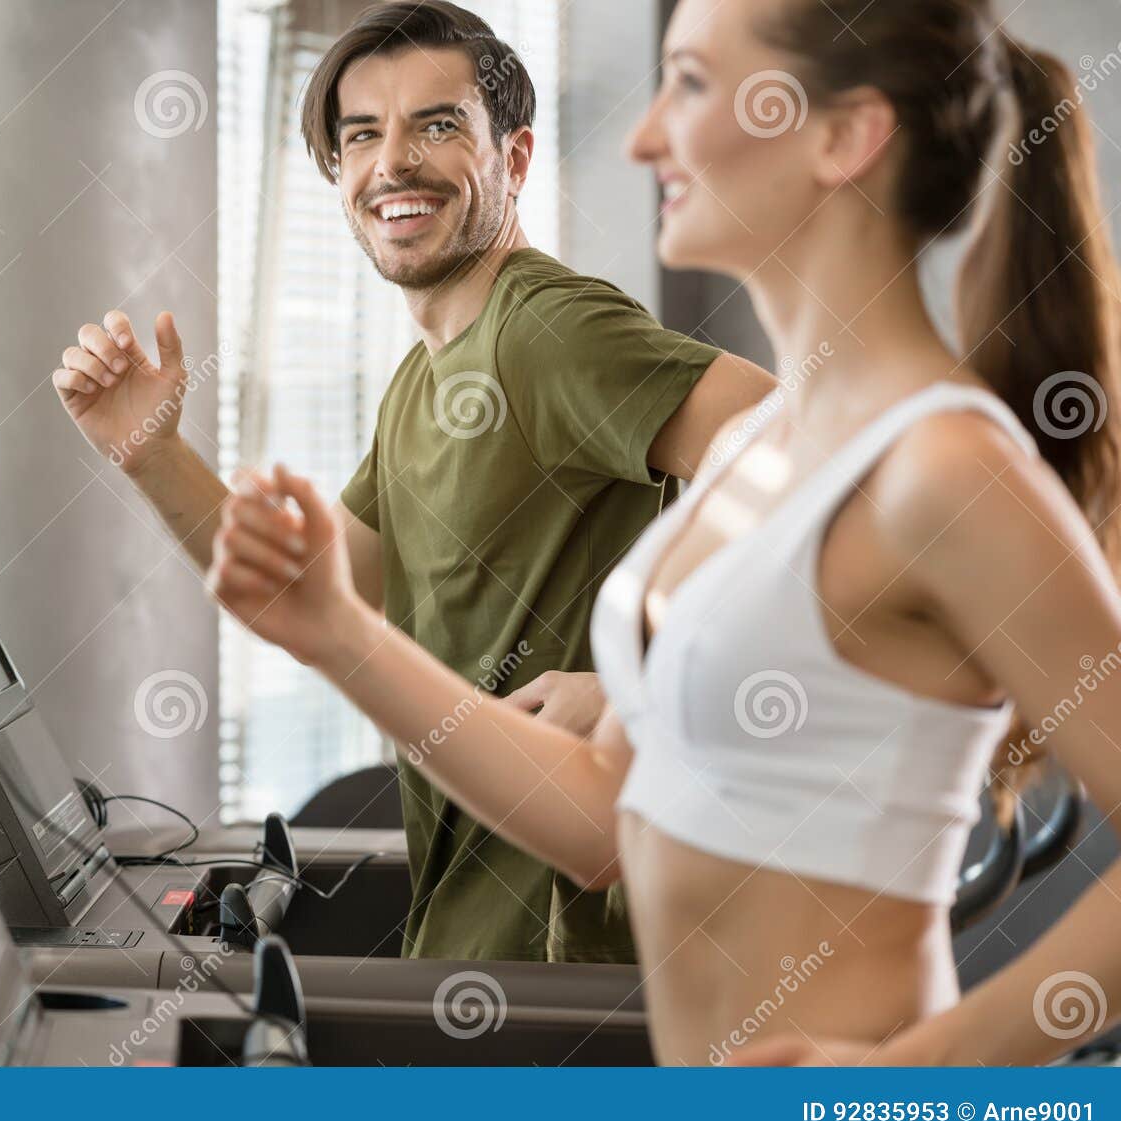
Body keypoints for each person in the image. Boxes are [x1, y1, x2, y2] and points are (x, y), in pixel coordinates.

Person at [208, 0, 1121, 1066]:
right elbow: (601, 825)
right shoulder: (758, 450)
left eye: (689, 84)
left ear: (842, 134)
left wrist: (924, 1072)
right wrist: (338, 635)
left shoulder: (937, 467)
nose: (643, 137)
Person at [54, 1, 775, 964]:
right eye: (363, 135)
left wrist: (645, 686)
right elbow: (305, 594)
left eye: (437, 126)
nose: (393, 162)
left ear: (513, 160)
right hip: (468, 934)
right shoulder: (425, 380)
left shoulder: (546, 330)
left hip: (572, 970)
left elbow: (812, 461)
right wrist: (150, 450)